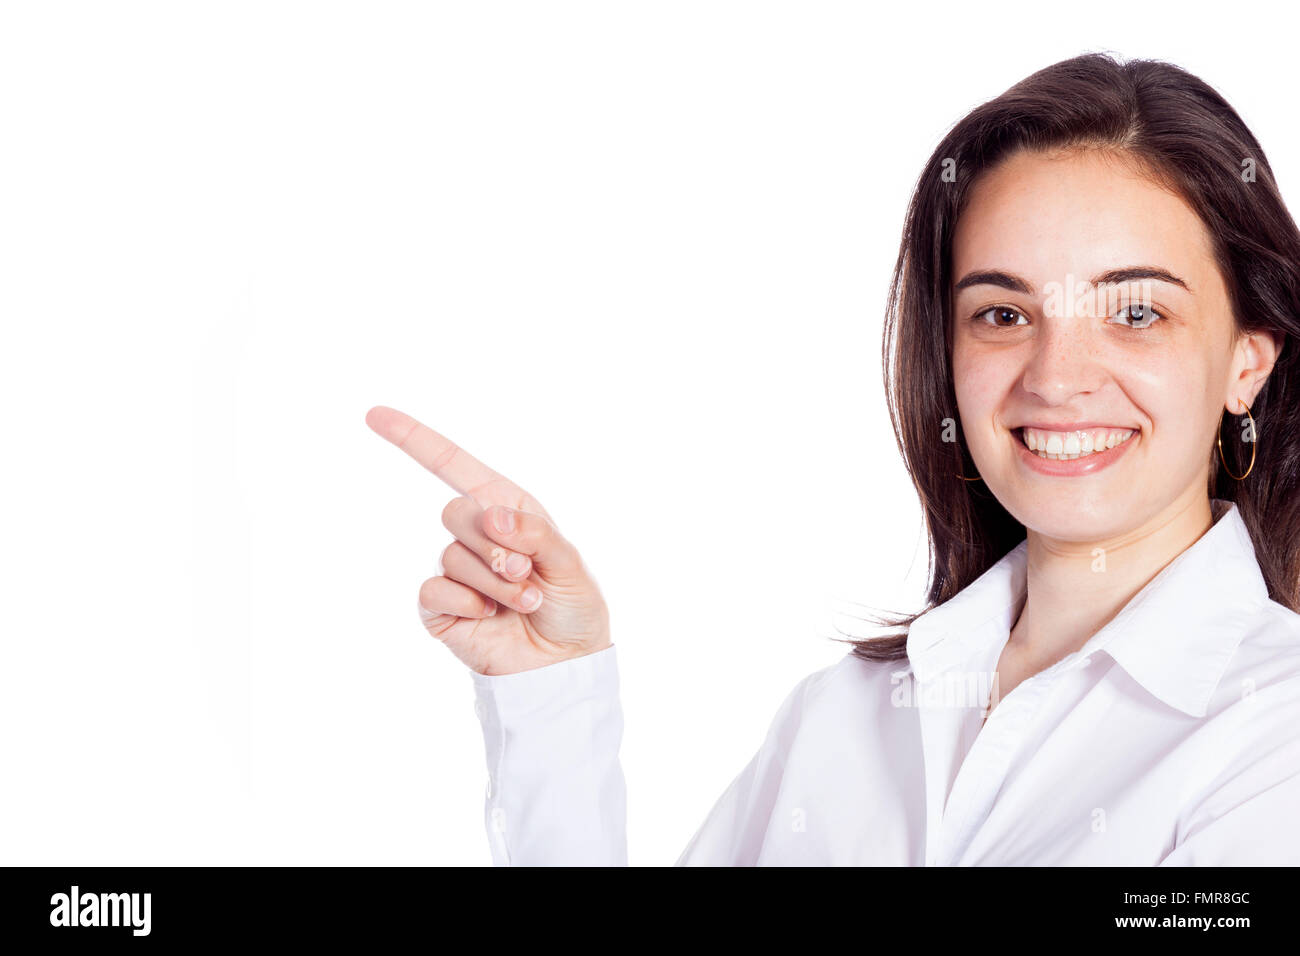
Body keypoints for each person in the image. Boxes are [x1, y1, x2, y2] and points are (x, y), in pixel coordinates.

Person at [365, 51, 1300, 865]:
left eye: (1136, 313)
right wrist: (548, 693)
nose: (1057, 378)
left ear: (1246, 362)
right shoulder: (847, 715)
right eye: (1003, 314)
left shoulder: (1275, 733)